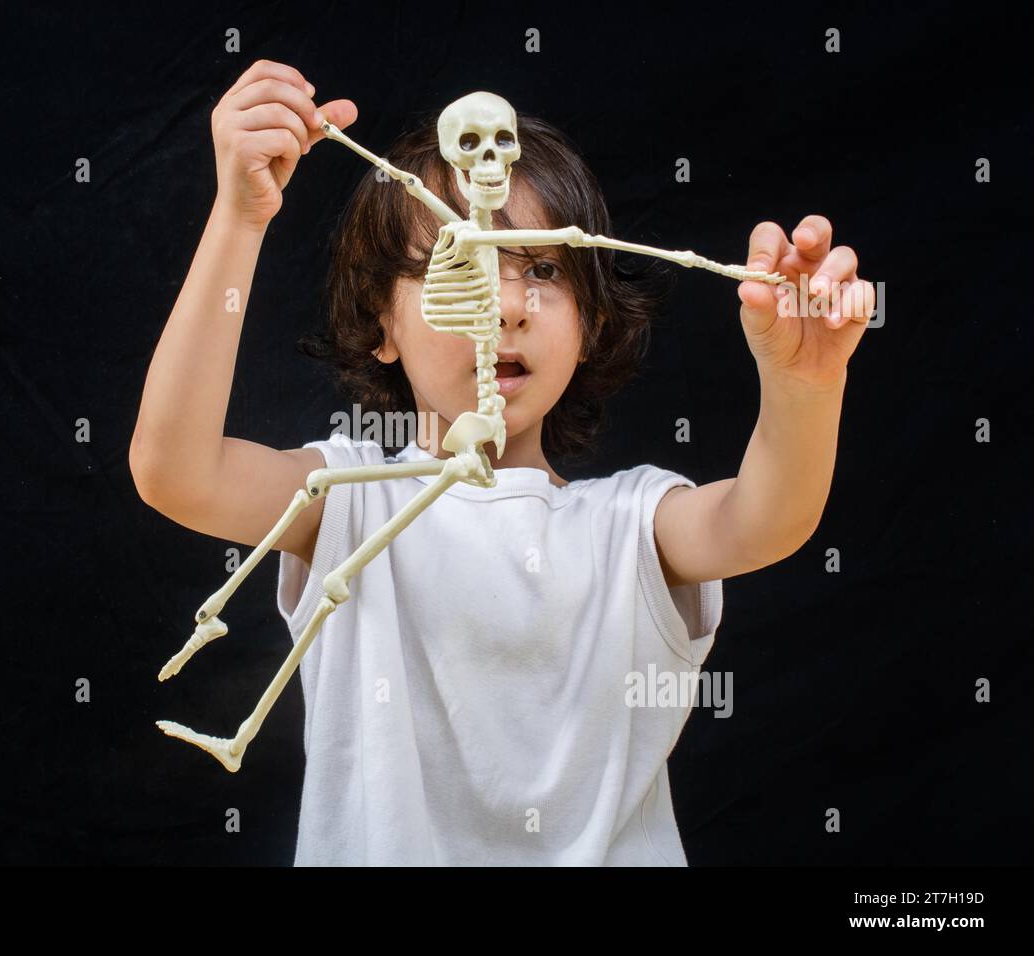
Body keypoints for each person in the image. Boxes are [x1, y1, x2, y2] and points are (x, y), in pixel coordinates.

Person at [129, 59, 875, 865]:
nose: (508, 304)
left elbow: (768, 517)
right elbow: (174, 467)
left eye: (545, 269)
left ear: (591, 323)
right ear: (381, 324)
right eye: (457, 258)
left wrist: (806, 383)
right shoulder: (346, 503)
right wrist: (239, 219)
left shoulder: (629, 524)